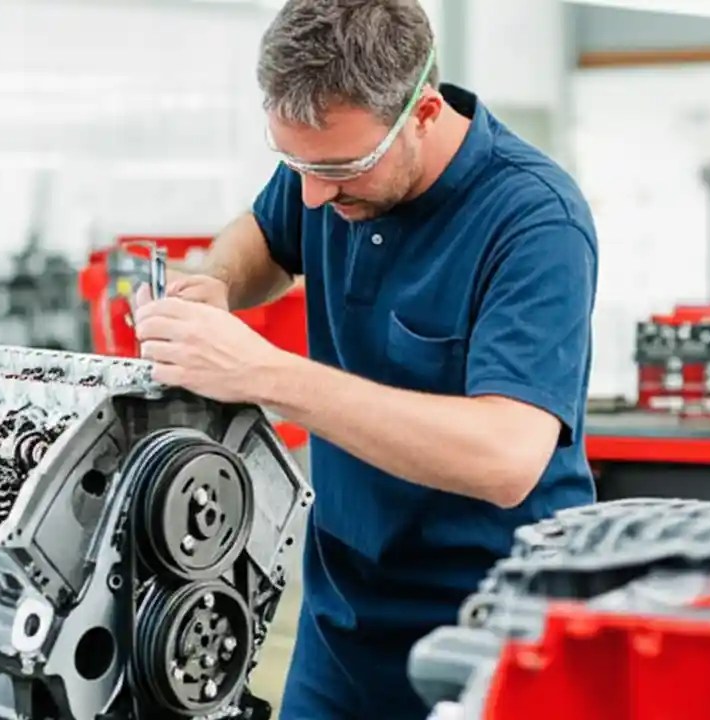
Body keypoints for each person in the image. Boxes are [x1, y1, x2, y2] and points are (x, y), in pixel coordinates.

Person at [132, 0, 598, 717]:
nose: (315, 193)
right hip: (343, 621)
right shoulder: (328, 163)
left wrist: (266, 374)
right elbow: (264, 233)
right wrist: (216, 283)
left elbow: (506, 459)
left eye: (342, 169)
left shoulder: (535, 221)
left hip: (494, 626)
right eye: (296, 164)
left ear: (424, 112)